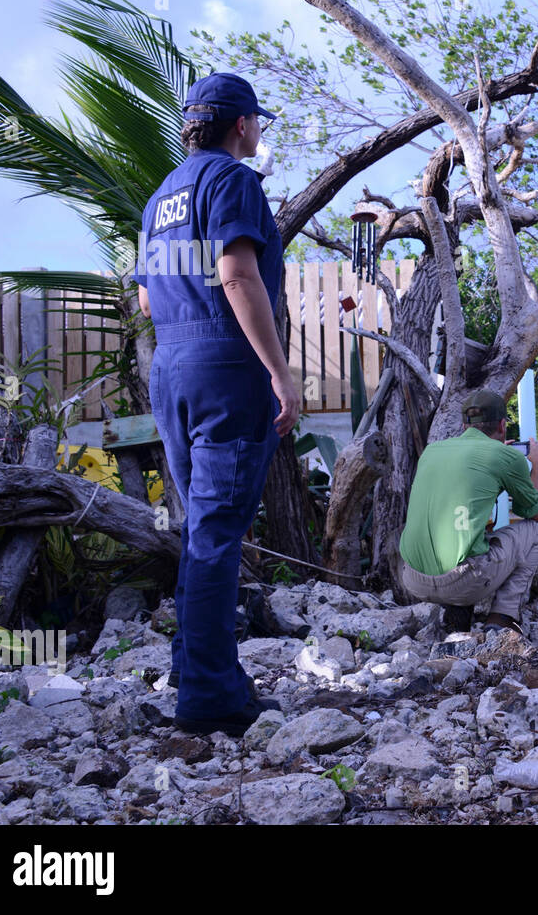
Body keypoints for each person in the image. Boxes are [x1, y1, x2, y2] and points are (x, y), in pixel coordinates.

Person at [135, 73, 302, 736]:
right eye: (257, 121)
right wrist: (280, 374)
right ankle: (208, 695)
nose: (258, 132)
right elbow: (236, 274)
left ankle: (195, 671)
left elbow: (147, 299)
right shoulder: (232, 182)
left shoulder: (159, 198)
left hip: (170, 365)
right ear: (240, 125)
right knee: (215, 533)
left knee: (198, 530)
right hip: (223, 368)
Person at [397, 390, 538, 634]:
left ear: (464, 424)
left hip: (412, 577)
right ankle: (502, 620)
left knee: (467, 539)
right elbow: (535, 512)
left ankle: (455, 615)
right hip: (462, 581)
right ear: (502, 424)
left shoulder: (432, 451)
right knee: (534, 533)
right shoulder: (506, 456)